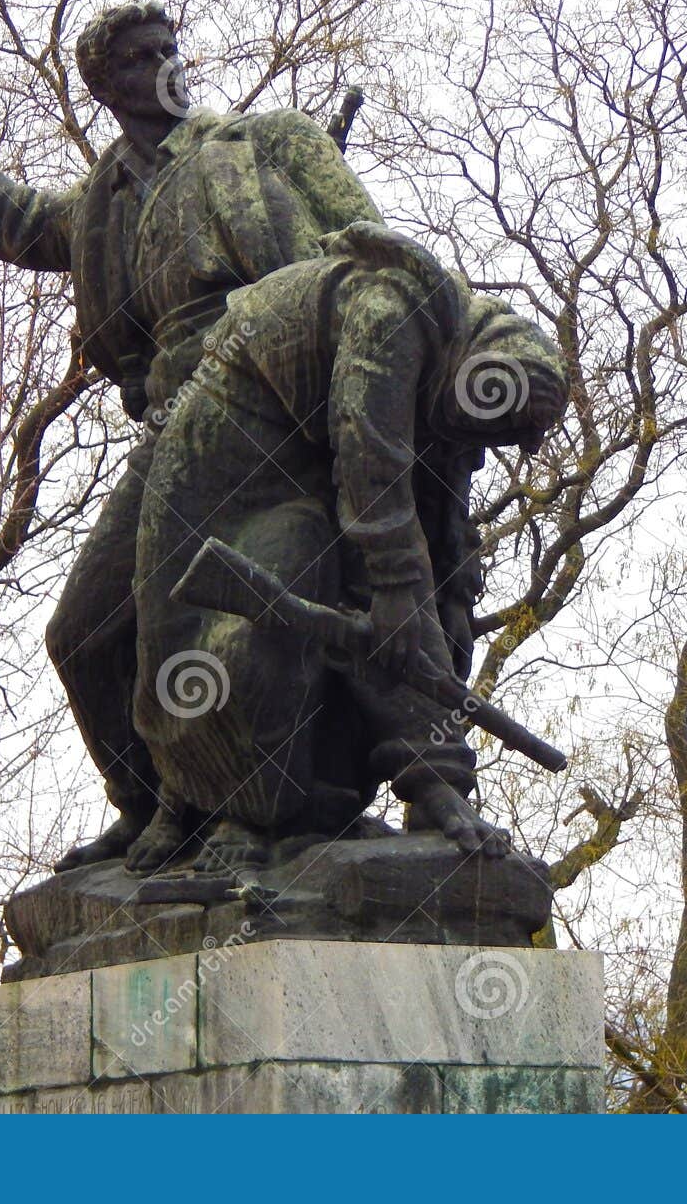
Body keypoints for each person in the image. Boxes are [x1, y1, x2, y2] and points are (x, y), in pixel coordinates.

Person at [0, 2, 383, 869]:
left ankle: (247, 813)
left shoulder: (260, 143)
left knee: (244, 624)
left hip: (277, 408)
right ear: (106, 84)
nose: (165, 64)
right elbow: (25, 222)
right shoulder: (105, 200)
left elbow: (372, 255)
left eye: (171, 49)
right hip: (172, 428)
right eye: (143, 56)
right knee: (84, 633)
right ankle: (147, 799)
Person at [127, 222, 568, 873]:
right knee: (197, 640)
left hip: (315, 474)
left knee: (383, 605)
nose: (467, 443)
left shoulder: (455, 405)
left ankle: (307, 807)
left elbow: (434, 574)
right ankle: (191, 806)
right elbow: (369, 468)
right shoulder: (393, 314)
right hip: (228, 453)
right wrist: (395, 596)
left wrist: (439, 789)